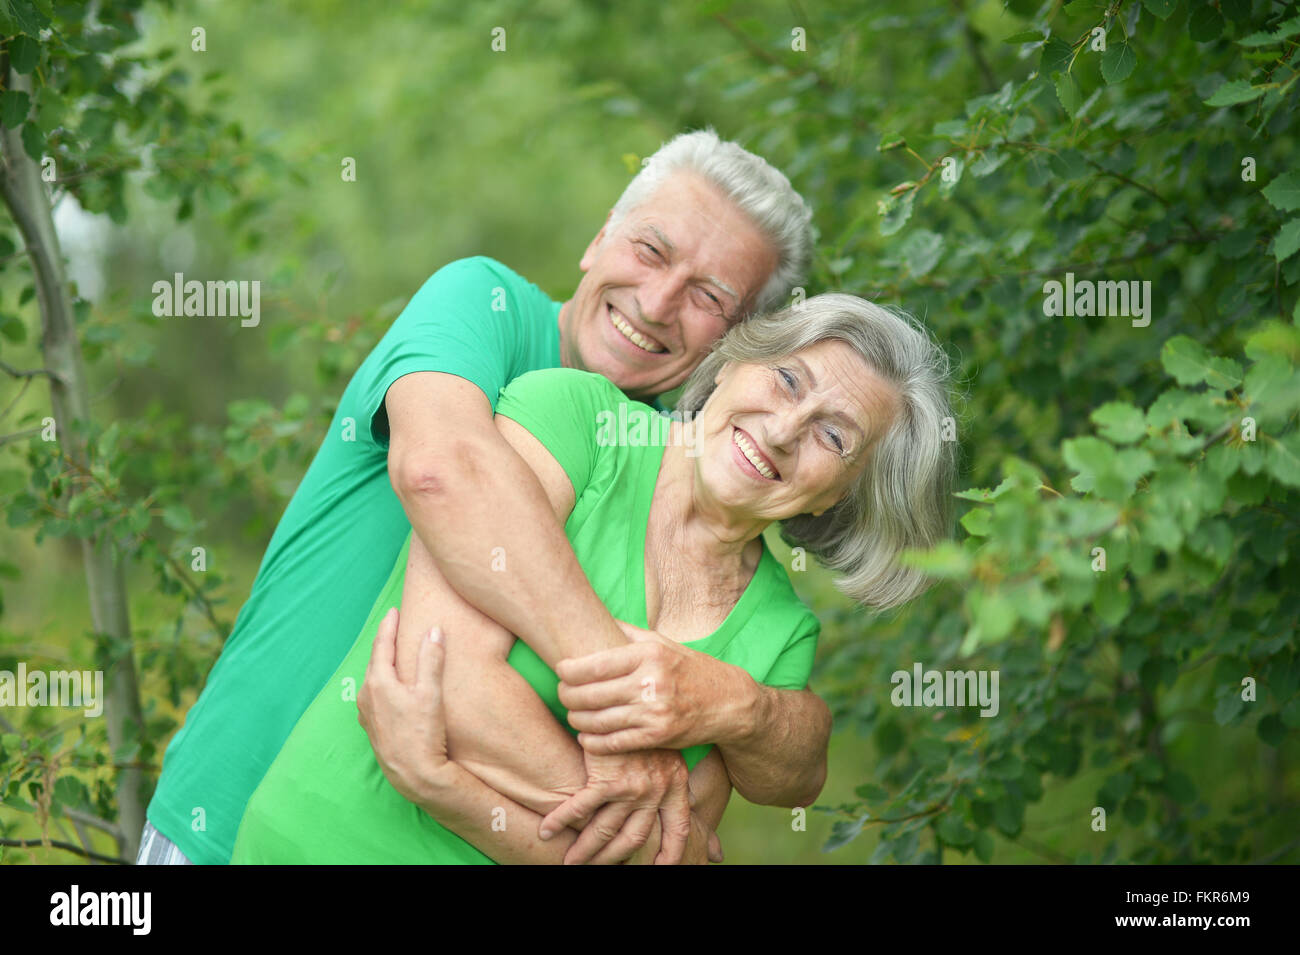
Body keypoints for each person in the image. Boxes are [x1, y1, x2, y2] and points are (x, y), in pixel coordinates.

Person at [140, 129, 832, 865]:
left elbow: (730, 787)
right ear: (599, 239)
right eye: (651, 251)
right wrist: (621, 718)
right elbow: (442, 471)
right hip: (230, 808)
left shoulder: (680, 476)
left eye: (708, 296)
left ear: (741, 342)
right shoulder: (485, 303)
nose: (658, 302)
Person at [230, 293, 957, 864]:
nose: (782, 428)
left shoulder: (778, 630)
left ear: (843, 493)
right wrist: (638, 786)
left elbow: (661, 858)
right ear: (736, 361)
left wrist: (445, 786)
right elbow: (444, 680)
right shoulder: (572, 418)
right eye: (787, 379)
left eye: (835, 435)